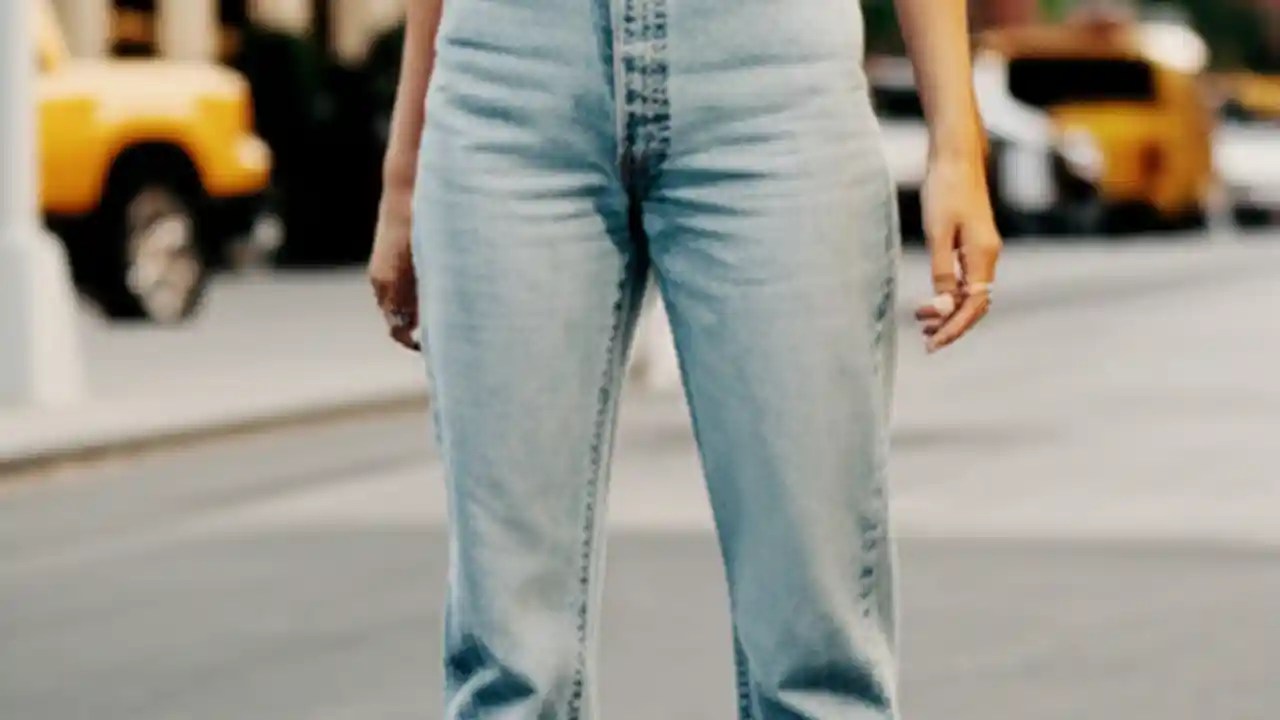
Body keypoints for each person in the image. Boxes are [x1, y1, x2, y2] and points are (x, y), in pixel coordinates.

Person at [368, 0, 1001, 716]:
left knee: (816, 655)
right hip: (510, 84)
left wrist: (956, 143)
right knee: (510, 668)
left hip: (772, 84)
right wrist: (405, 172)